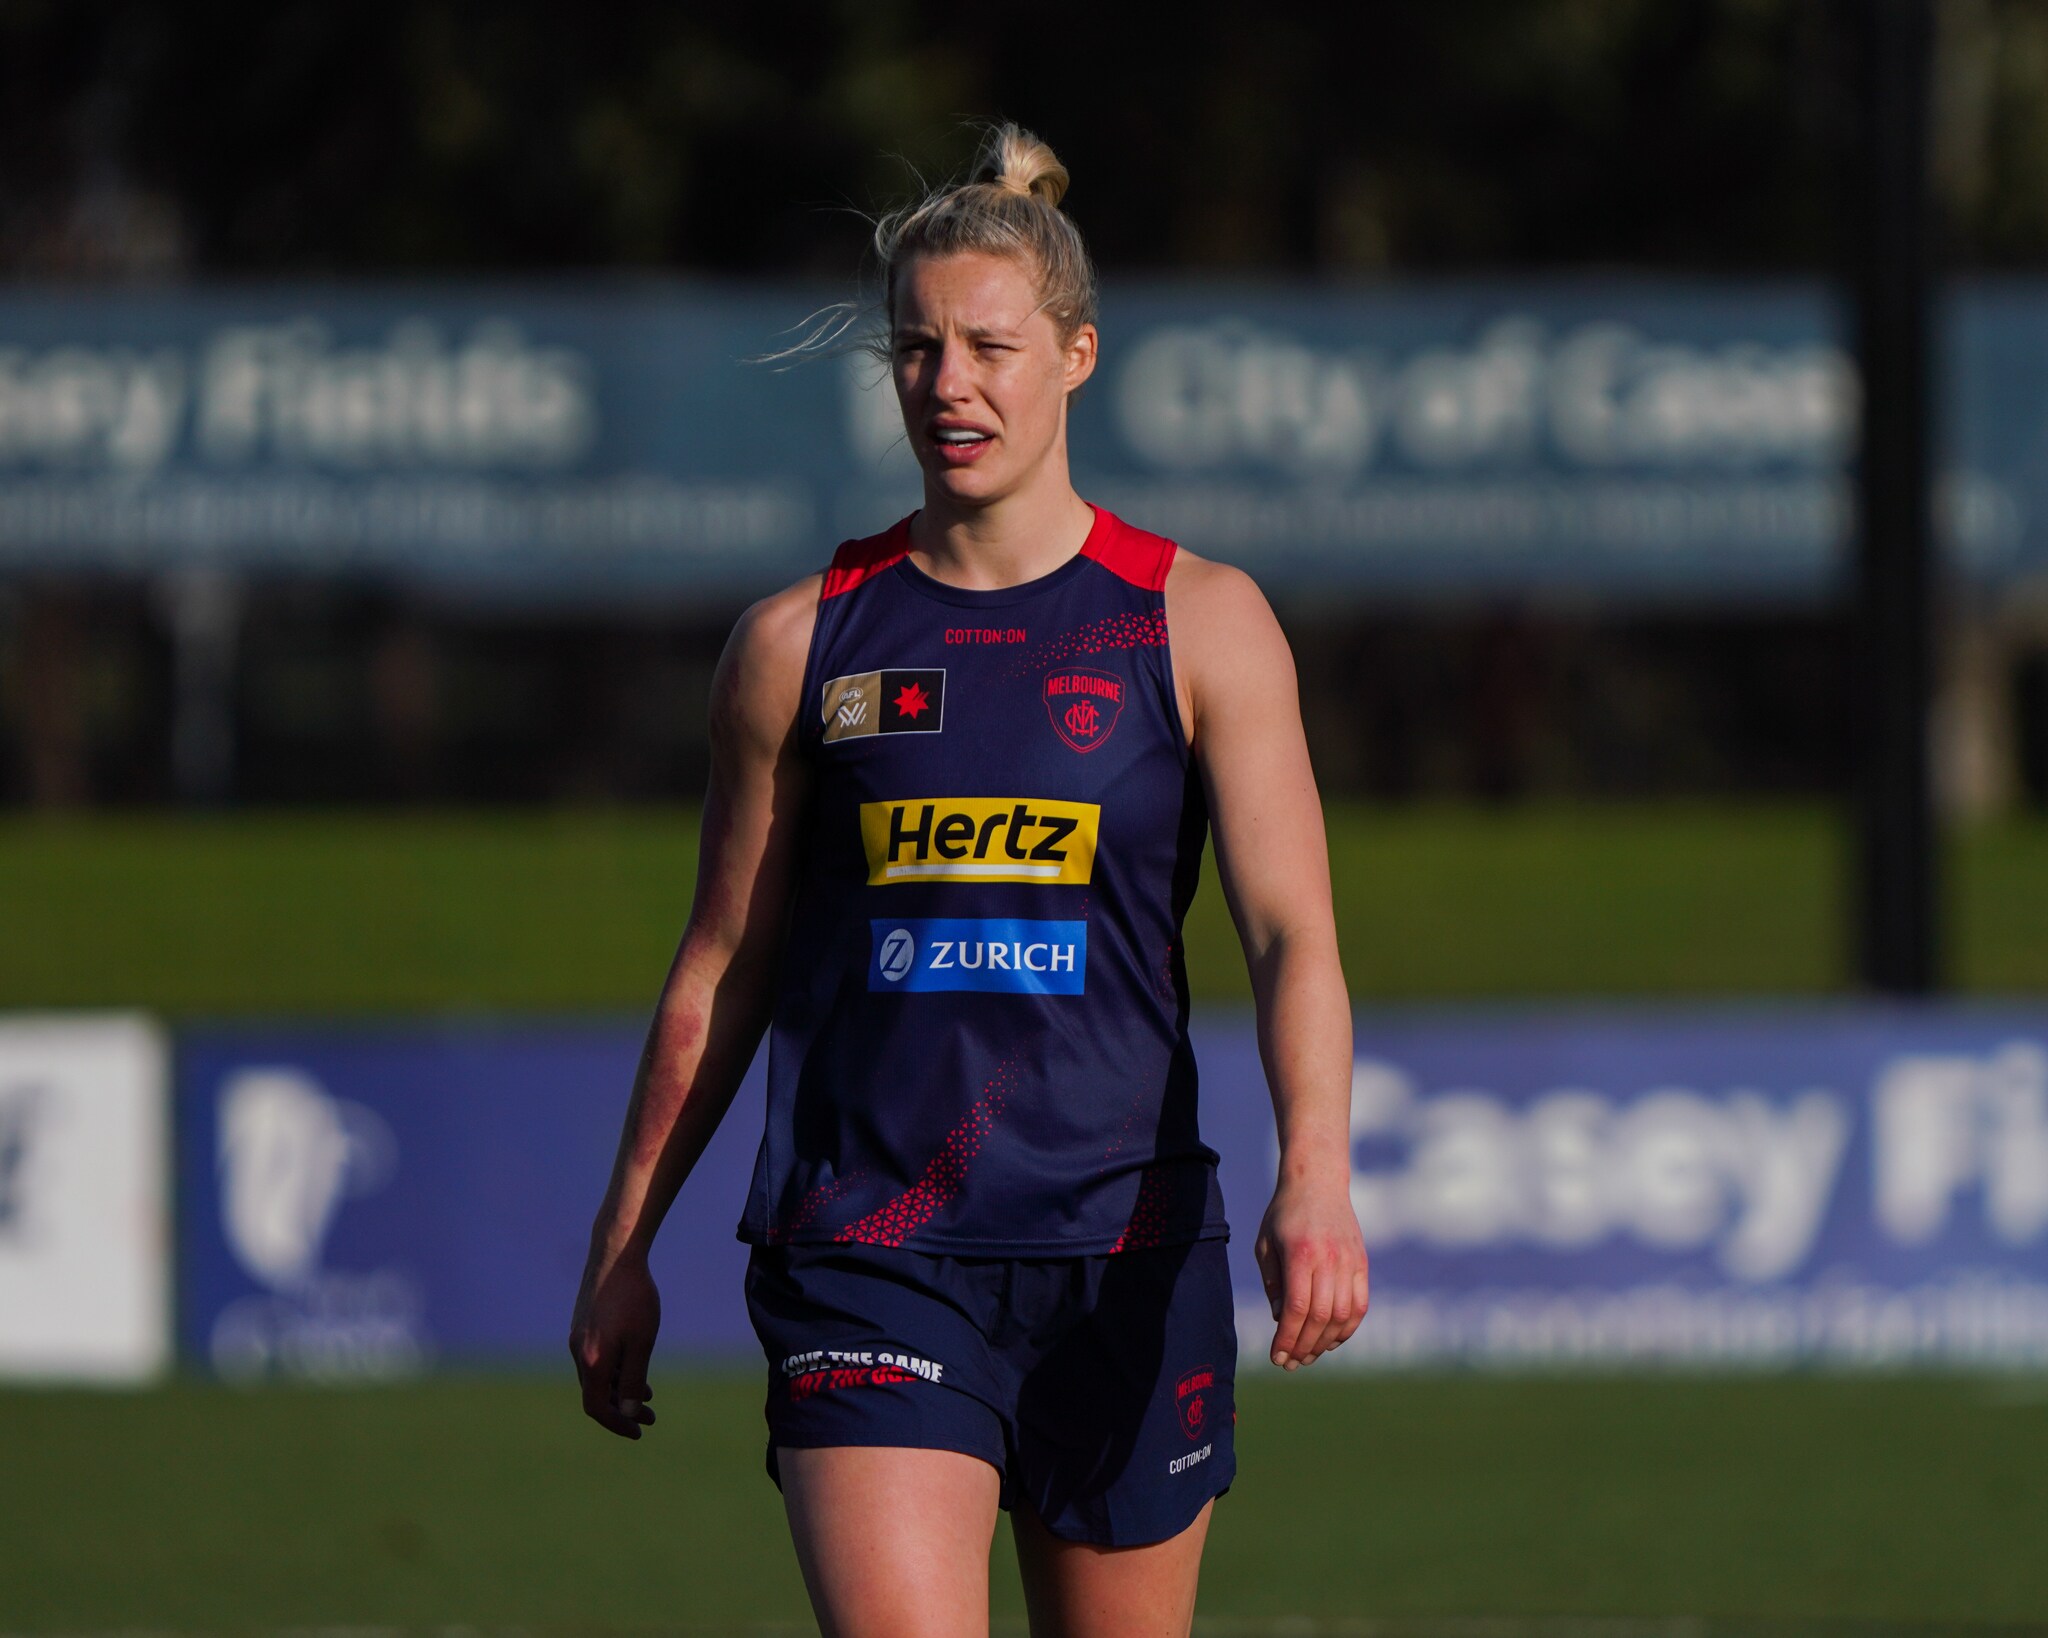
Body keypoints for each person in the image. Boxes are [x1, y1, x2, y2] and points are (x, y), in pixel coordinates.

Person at [569, 123, 1369, 1638]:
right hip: (872, 1252)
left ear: (1075, 354)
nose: (950, 387)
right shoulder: (801, 644)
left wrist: (1315, 1170)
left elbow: (1291, 934)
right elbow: (721, 968)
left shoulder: (1200, 623)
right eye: (918, 350)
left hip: (1124, 1259)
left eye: (990, 348)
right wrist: (623, 1247)